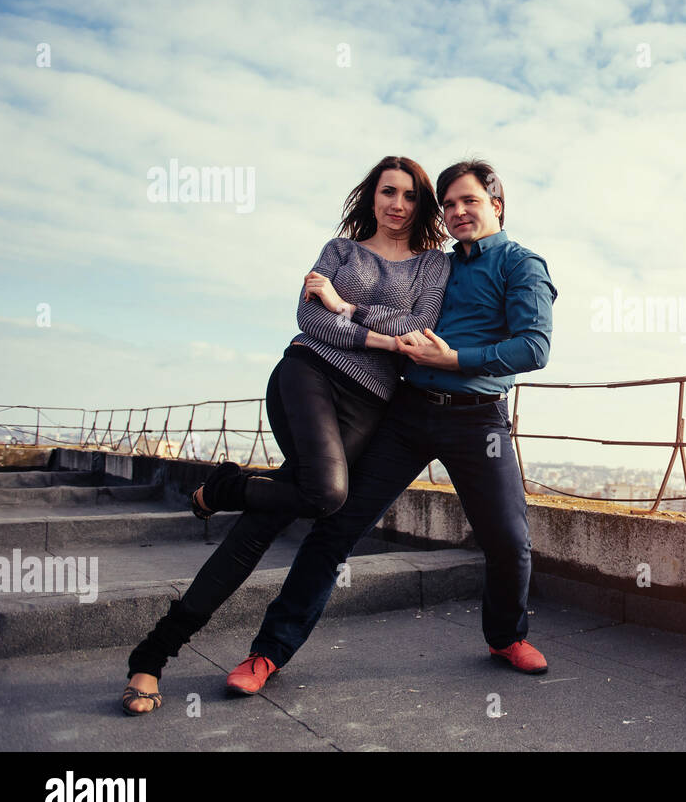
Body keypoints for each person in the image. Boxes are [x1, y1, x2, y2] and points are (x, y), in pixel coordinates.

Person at [120, 155, 451, 716]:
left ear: (421, 204)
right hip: (308, 372)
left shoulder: (432, 266)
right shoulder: (340, 250)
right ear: (371, 196)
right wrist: (382, 339)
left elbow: (417, 328)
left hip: (368, 403)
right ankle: (153, 655)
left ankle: (153, 647)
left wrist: (345, 306)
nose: (397, 204)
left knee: (272, 516)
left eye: (410, 195)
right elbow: (311, 321)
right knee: (326, 492)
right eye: (387, 191)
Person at [221, 158, 557, 695]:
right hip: (409, 410)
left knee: (510, 540)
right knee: (335, 529)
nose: (457, 212)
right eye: (448, 204)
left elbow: (534, 347)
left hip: (478, 419)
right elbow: (401, 322)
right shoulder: (437, 265)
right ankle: (268, 653)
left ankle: (506, 637)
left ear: (496, 204)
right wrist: (346, 307)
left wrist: (456, 359)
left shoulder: (521, 264)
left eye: (469, 201)